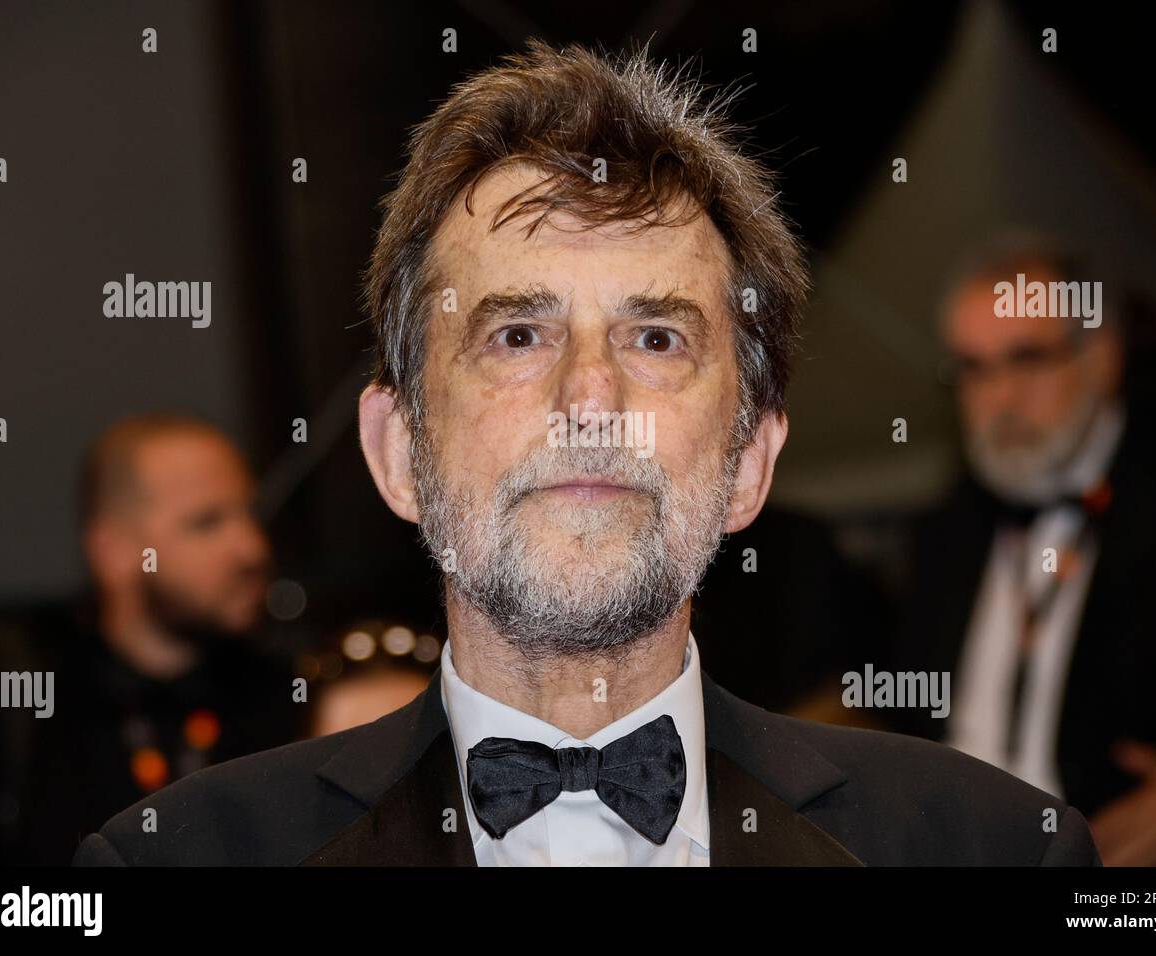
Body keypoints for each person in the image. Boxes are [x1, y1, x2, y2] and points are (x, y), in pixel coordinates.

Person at [75, 40, 1098, 867]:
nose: (589, 397)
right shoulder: (171, 861)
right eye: (516, 334)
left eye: (656, 338)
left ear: (748, 462)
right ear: (397, 454)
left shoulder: (992, 848)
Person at [886, 240, 1156, 865]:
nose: (1000, 397)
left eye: (1028, 359)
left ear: (1101, 358)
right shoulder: (945, 531)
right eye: (974, 368)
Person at [13, 414, 299, 863]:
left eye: (250, 515)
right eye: (207, 522)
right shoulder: (30, 725)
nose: (252, 549)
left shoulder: (294, 701)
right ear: (115, 552)